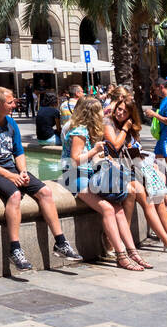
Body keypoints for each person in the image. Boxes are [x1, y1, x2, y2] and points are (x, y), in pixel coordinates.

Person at [0, 86, 83, 269]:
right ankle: (15, 249)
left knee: (45, 192)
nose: (15, 105)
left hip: (12, 170)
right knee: (14, 195)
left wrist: (22, 171)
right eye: (10, 102)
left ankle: (61, 242)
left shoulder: (11, 123)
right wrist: (9, 176)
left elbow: (19, 152)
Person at [60, 97, 147, 271]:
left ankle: (132, 252)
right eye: (100, 110)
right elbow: (75, 160)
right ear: (92, 113)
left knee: (119, 209)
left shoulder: (89, 130)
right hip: (76, 177)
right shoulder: (79, 132)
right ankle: (121, 255)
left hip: (90, 175)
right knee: (108, 209)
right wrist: (95, 151)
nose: (104, 113)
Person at [104, 96, 167, 254]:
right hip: (118, 171)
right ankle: (166, 242)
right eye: (119, 109)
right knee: (146, 199)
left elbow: (134, 150)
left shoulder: (129, 127)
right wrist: (125, 129)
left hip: (133, 169)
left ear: (131, 114)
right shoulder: (109, 123)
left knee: (158, 200)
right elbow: (114, 146)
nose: (120, 113)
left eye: (125, 111)